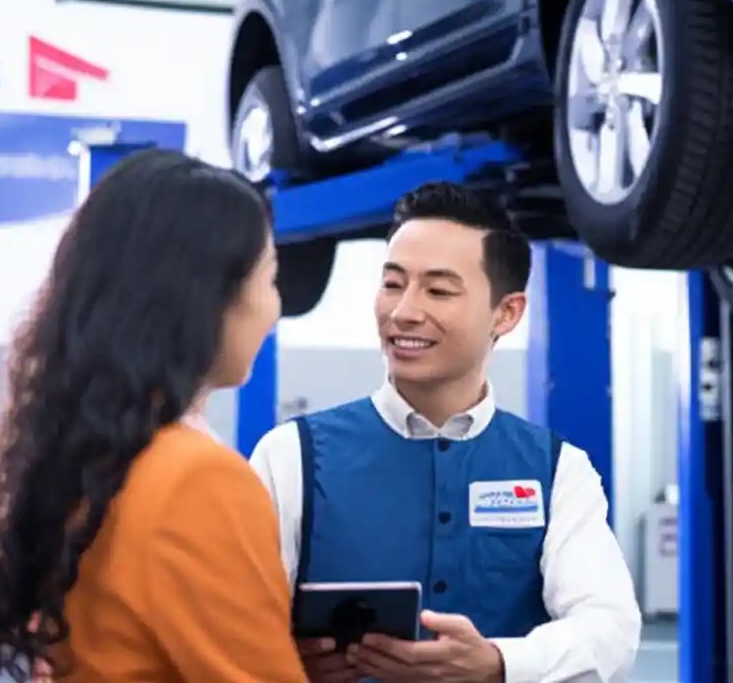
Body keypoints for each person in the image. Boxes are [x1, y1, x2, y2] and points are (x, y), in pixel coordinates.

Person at [249, 181, 642, 683]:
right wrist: (281, 662)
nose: (403, 311)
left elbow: (610, 628)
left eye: (438, 290)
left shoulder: (557, 470)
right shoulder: (291, 458)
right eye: (393, 283)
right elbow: (230, 624)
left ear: (507, 313)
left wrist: (499, 662)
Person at [0, 149, 306, 682]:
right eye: (271, 279)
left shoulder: (88, 455)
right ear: (208, 297)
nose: (274, 309)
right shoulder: (198, 480)